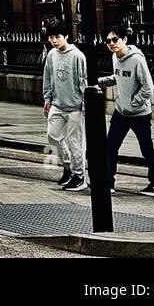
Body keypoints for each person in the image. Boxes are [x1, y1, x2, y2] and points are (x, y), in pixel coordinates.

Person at [103, 28, 154, 196]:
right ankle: (108, 183)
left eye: (115, 40)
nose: (111, 44)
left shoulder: (137, 59)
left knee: (146, 148)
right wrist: (102, 81)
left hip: (139, 114)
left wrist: (133, 102)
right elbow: (119, 77)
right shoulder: (114, 57)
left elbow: (148, 87)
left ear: (124, 39)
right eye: (108, 41)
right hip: (121, 112)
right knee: (110, 147)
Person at [42, 23, 88, 190]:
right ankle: (68, 168)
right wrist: (47, 98)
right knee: (53, 136)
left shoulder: (77, 56)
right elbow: (47, 77)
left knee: (75, 142)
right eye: (51, 37)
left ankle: (79, 176)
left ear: (66, 36)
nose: (54, 41)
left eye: (57, 37)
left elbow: (83, 80)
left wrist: (84, 103)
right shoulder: (52, 55)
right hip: (57, 103)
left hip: (75, 106)